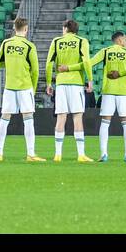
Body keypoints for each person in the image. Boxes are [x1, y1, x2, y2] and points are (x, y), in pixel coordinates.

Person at [88, 30, 126, 163]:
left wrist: (90, 80)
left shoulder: (105, 51)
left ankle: (104, 154)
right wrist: (122, 73)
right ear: (119, 40)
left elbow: (89, 63)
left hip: (108, 90)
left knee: (105, 122)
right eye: (124, 39)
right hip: (123, 91)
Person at [44, 18, 94, 163]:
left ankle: (58, 154)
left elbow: (48, 63)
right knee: (77, 117)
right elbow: (86, 61)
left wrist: (49, 82)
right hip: (76, 83)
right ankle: (81, 154)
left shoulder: (56, 41)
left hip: (60, 83)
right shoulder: (81, 41)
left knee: (61, 118)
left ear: (65, 28)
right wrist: (90, 79)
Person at [0, 18, 43, 162]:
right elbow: (35, 71)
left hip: (9, 86)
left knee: (4, 119)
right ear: (26, 29)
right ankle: (30, 154)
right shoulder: (29, 46)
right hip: (25, 86)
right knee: (28, 120)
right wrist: (32, 89)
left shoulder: (6, 43)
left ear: (14, 28)